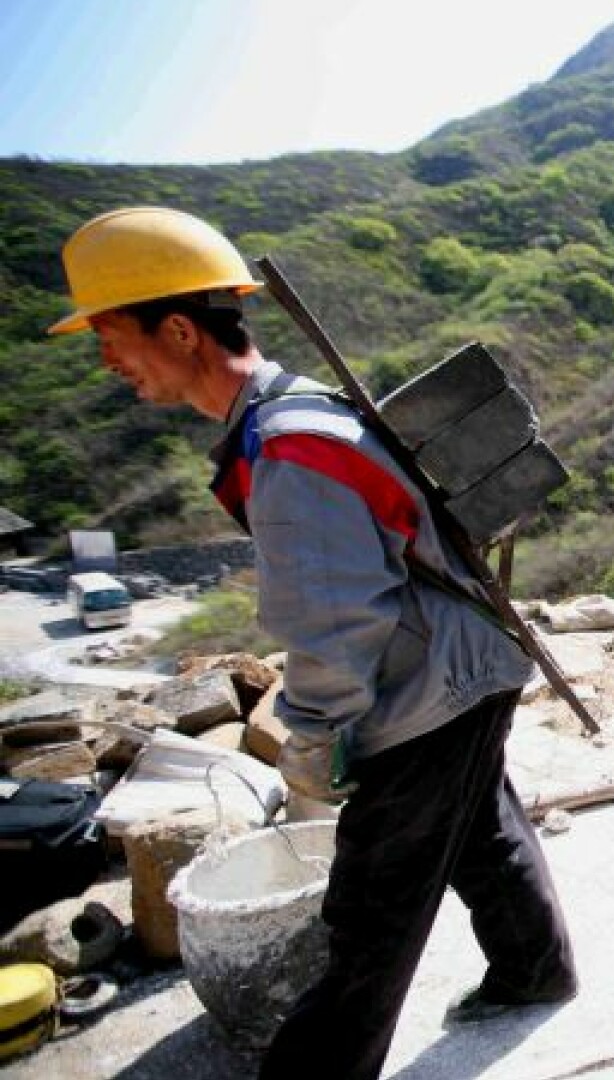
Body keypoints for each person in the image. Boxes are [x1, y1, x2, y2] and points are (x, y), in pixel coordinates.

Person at [50, 207, 577, 1079]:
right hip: (470, 658)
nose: (108, 362)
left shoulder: (290, 449)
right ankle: (534, 970)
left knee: (365, 920)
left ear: (178, 330)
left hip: (427, 688)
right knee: (481, 827)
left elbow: (334, 625)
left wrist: (315, 736)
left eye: (112, 337)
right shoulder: (298, 408)